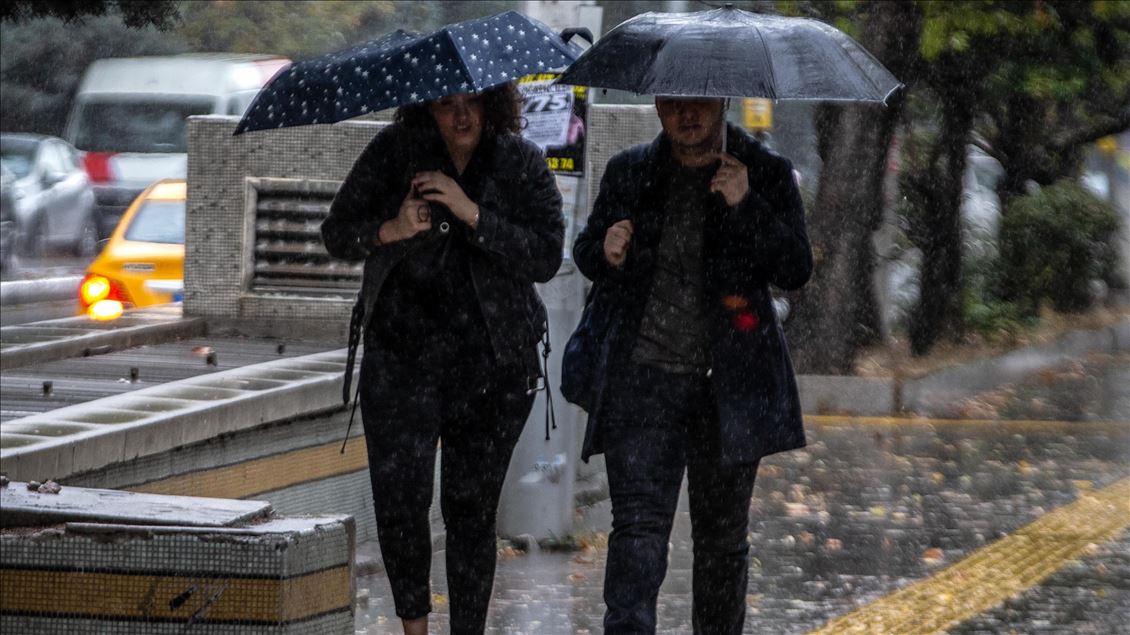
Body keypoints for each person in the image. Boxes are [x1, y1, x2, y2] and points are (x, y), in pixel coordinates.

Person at [321, 83, 564, 635]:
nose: (460, 114)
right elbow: (337, 233)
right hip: (402, 359)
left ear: (493, 104)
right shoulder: (395, 151)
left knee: (470, 510)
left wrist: (471, 212)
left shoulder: (519, 162)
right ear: (426, 105)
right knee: (402, 501)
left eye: (473, 101)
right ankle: (414, 627)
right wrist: (392, 229)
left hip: (494, 366)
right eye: (446, 102)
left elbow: (547, 255)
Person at [568, 96, 812, 634]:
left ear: (722, 101)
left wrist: (747, 203)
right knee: (636, 535)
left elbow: (796, 267)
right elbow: (587, 249)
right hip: (643, 383)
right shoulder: (630, 170)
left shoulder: (763, 172)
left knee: (722, 543)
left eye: (699, 103)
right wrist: (604, 250)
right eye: (674, 103)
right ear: (657, 104)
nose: (688, 115)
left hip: (729, 391)